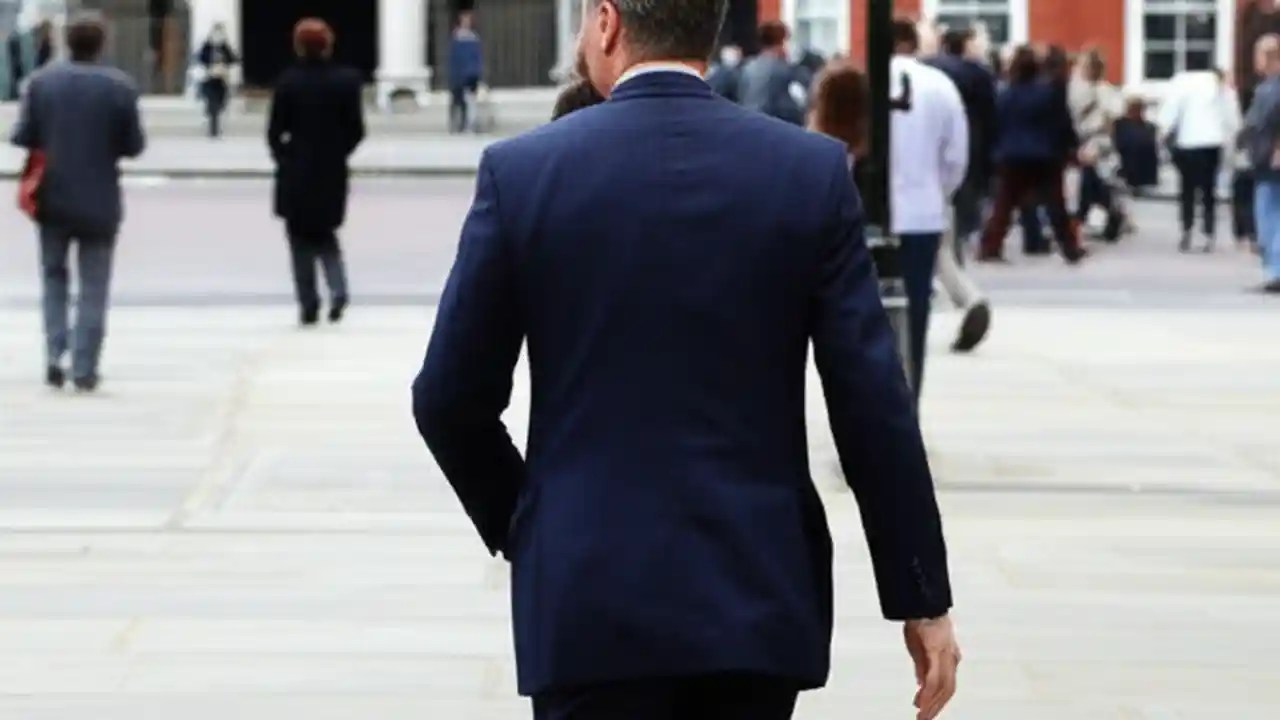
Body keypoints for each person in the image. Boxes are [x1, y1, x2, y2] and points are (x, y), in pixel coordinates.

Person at [412, 1, 960, 718]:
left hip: (588, 590)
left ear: (606, 23)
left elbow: (448, 399)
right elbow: (872, 405)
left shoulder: (524, 172)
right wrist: (920, 595)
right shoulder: (806, 171)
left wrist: (533, 521)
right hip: (754, 592)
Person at [10, 11, 146, 392]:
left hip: (51, 194)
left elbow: (23, 136)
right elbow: (134, 146)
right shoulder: (120, 86)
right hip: (100, 198)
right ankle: (85, 364)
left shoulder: (41, 83)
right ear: (101, 44)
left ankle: (56, 353)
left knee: (53, 277)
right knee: (93, 284)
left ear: (67, 42)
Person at [889, 19, 969, 398]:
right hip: (921, 212)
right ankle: (909, 400)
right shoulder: (939, 85)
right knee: (915, 313)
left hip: (863, 214)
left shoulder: (856, 80)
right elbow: (956, 157)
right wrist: (939, 193)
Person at [267, 18, 365, 326]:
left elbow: (274, 131)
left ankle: (308, 303)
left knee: (299, 241)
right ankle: (338, 289)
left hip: (296, 170)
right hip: (332, 170)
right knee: (326, 236)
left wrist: (285, 157)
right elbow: (357, 130)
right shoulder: (347, 81)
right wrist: (339, 152)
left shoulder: (288, 82)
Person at [980, 46, 1086, 264]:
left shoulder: (1004, 95)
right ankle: (1069, 246)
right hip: (1045, 154)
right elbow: (1062, 124)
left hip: (1011, 155)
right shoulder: (1049, 94)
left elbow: (994, 125)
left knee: (1004, 203)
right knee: (1056, 204)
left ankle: (991, 246)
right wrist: (1072, 147)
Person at [926, 26, 996, 353]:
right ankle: (968, 297)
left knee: (932, 249)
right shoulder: (976, 74)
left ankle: (962, 298)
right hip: (962, 159)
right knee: (945, 242)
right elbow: (992, 117)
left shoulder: (926, 71)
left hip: (912, 168)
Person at [1160, 67, 1242, 252]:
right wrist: (1234, 139)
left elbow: (1170, 111)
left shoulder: (1182, 83)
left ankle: (1187, 230)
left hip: (1187, 142)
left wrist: (1163, 131)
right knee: (1208, 190)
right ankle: (1208, 233)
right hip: (1212, 143)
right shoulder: (1221, 87)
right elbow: (1232, 119)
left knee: (1187, 189)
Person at [1069, 49, 1127, 242]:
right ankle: (1111, 215)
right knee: (1097, 183)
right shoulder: (1099, 90)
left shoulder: (1090, 90)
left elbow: (1110, 119)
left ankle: (1082, 219)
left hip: (1091, 140)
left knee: (1089, 183)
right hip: (1092, 141)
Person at [1242, 34, 1280, 292]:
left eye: (1258, 54)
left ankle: (1276, 271)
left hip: (1272, 160)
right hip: (1262, 160)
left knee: (1270, 217)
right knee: (1266, 215)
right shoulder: (1266, 85)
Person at [738, 20, 805, 125]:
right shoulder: (784, 70)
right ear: (782, 42)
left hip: (749, 125)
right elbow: (791, 107)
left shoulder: (747, 67)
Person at [197, 22, 238, 139]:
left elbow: (233, 58)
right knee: (212, 102)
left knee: (221, 101)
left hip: (222, 79)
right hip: (209, 78)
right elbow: (201, 58)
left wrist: (226, 63)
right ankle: (213, 129)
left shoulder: (225, 46)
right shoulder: (207, 46)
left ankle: (215, 115)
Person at [448, 10, 483, 133]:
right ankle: (458, 124)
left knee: (469, 101)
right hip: (460, 75)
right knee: (458, 101)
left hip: (470, 75)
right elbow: (454, 58)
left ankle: (466, 124)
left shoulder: (473, 38)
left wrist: (476, 73)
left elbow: (476, 58)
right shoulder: (457, 37)